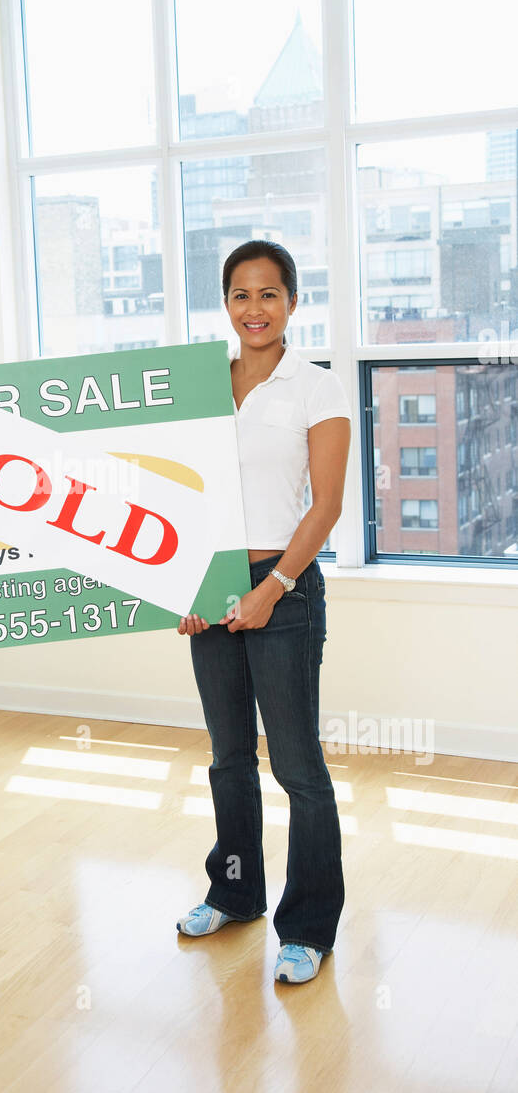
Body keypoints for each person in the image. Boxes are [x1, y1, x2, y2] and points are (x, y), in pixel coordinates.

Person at [176, 239, 351, 984]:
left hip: (283, 589)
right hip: (210, 589)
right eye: (241, 295)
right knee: (226, 758)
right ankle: (236, 891)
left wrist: (271, 588)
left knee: (298, 767)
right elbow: (174, 495)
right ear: (226, 304)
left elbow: (328, 505)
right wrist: (182, 586)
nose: (255, 308)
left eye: (270, 294)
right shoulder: (198, 386)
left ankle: (307, 925)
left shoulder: (316, 387)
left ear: (292, 302)